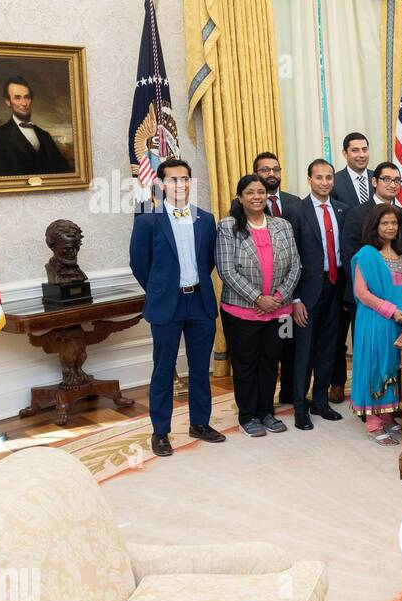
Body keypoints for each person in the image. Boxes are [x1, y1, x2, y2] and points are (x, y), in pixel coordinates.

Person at [128, 159, 224, 457]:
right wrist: (160, 289)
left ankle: (200, 423)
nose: (180, 185)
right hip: (166, 305)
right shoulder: (147, 220)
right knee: (163, 369)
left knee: (199, 368)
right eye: (173, 180)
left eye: (185, 179)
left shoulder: (205, 219)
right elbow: (139, 263)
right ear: (160, 184)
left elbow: (208, 261)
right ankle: (160, 432)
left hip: (199, 302)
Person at [215, 173, 301, 437]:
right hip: (241, 312)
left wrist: (277, 297)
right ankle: (248, 415)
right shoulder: (227, 226)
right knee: (246, 364)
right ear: (240, 198)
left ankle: (266, 411)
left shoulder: (282, 225)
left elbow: (296, 264)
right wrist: (257, 298)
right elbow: (226, 270)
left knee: (270, 362)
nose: (256, 197)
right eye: (250, 193)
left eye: (261, 192)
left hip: (279, 311)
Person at [350, 204, 402, 446]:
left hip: (401, 321)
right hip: (377, 321)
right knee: (376, 366)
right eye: (384, 223)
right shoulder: (366, 254)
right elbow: (362, 293)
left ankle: (387, 415)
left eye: (394, 223)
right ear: (374, 226)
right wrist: (390, 310)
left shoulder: (398, 254)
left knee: (393, 367)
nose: (390, 227)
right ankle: (373, 423)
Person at [337, 162, 402, 401]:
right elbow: (349, 256)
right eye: (387, 179)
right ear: (374, 181)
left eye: (397, 180)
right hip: (371, 308)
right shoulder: (357, 213)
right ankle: (371, 413)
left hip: (400, 310)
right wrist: (377, 295)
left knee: (393, 361)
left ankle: (389, 410)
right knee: (372, 358)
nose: (390, 227)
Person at [290, 159, 349, 430]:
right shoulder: (297, 211)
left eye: (329, 177)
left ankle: (320, 401)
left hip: (335, 286)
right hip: (308, 291)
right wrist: (296, 299)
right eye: (319, 177)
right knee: (304, 350)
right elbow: (290, 258)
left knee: (329, 346)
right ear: (309, 179)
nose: (324, 182)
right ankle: (300, 407)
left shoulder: (341, 209)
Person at [254, 151, 303, 404]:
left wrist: (291, 294)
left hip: (288, 294)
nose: (271, 174)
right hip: (260, 299)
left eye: (276, 169)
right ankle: (264, 399)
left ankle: (289, 394)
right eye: (265, 170)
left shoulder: (295, 203)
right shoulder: (243, 204)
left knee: (288, 343)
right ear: (256, 174)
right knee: (266, 351)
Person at [0, 76, 71, 176]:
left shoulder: (45, 136)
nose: (24, 103)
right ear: (8, 102)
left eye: (27, 97)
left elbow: (64, 171)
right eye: (17, 98)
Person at [331, 132, 374, 208]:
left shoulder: (378, 178)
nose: (362, 155)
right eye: (355, 150)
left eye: (364, 150)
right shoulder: (334, 181)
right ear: (345, 153)